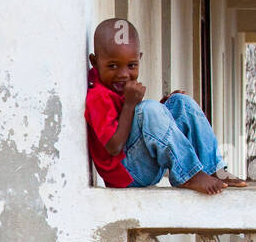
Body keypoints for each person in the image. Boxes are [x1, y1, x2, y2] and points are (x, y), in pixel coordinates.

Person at [85, 18, 246, 192]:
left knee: (181, 103)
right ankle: (190, 174)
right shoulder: (98, 96)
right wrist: (131, 105)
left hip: (146, 163)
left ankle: (214, 169)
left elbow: (135, 124)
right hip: (128, 173)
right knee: (148, 109)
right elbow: (113, 147)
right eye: (113, 66)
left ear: (140, 59)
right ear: (95, 62)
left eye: (131, 65)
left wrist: (164, 108)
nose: (123, 74)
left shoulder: (117, 87)